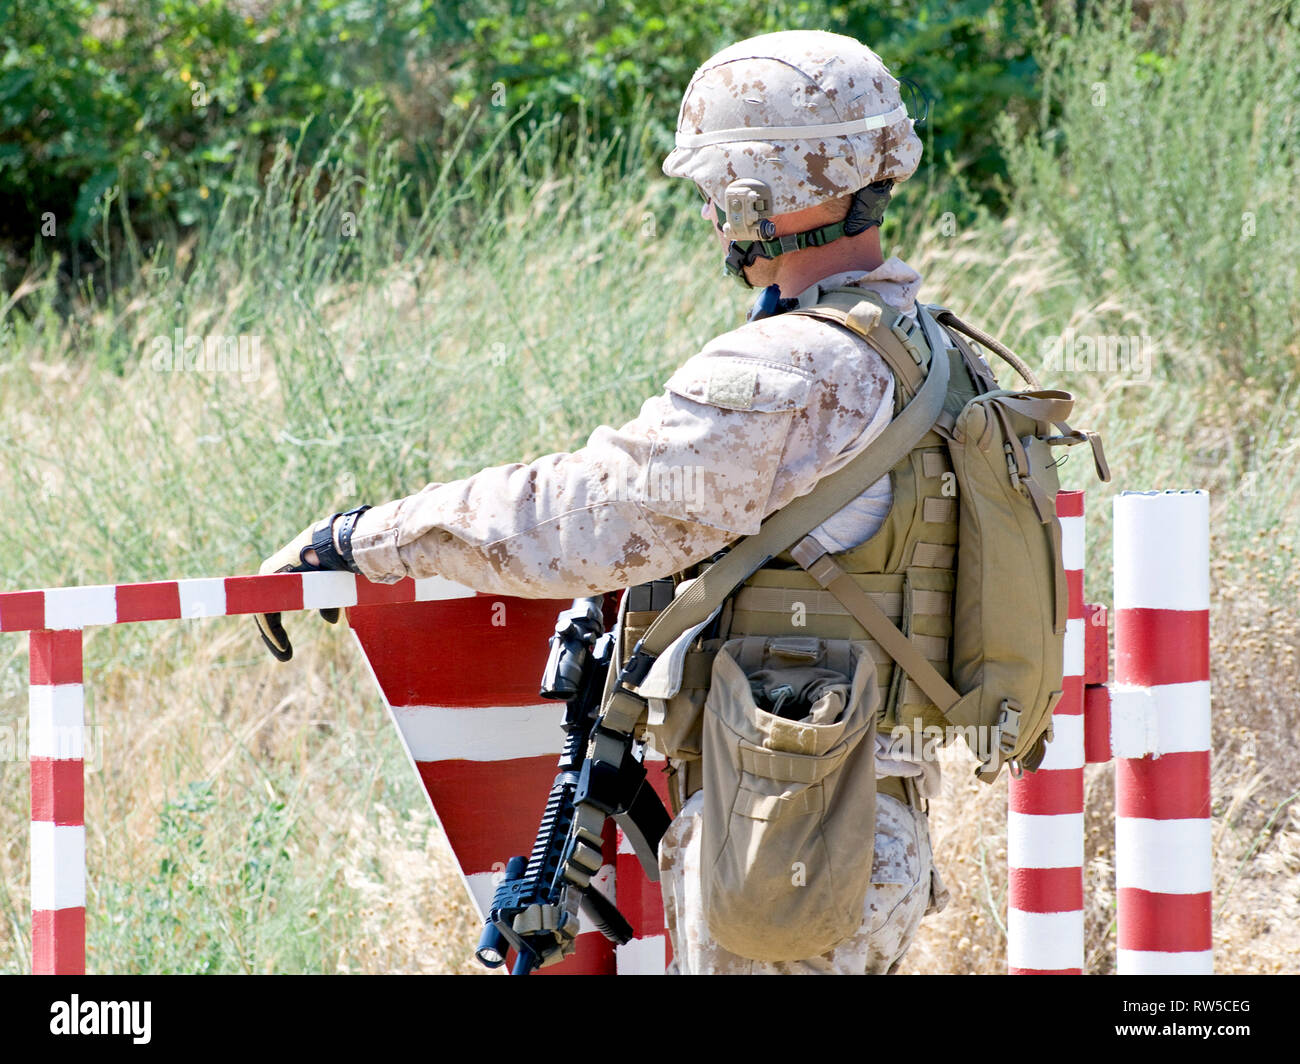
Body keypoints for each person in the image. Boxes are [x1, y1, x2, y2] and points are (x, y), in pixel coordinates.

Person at [256, 29, 959, 974]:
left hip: (789, 836)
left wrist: (367, 538)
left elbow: (589, 518)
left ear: (754, 194)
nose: (711, 214)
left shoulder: (794, 367)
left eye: (716, 189)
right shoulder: (932, 347)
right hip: (867, 817)